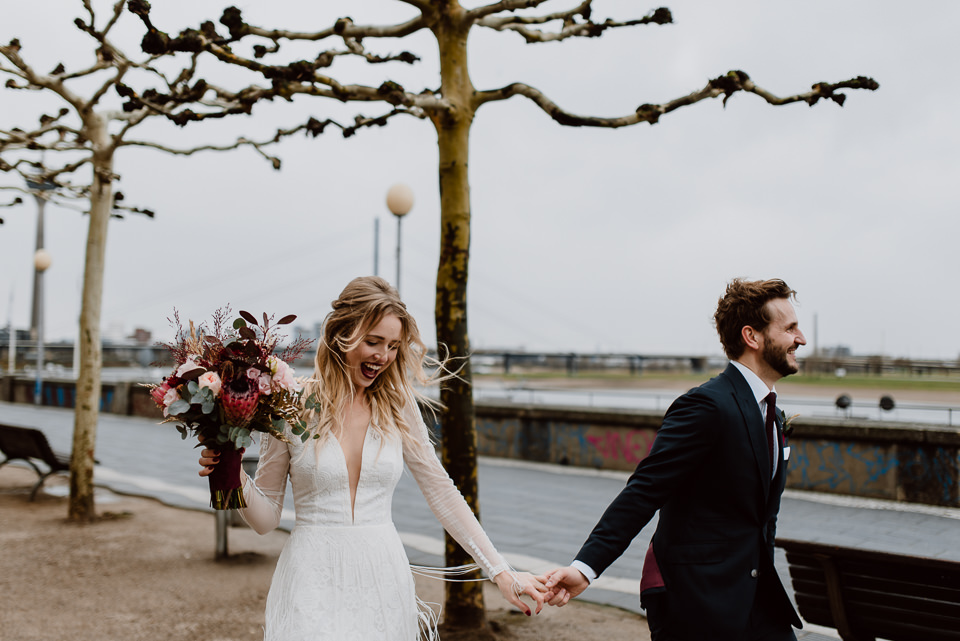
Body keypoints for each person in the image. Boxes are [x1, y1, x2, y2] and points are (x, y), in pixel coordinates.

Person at [199, 276, 545, 640]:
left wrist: (501, 572)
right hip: (311, 580)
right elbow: (265, 520)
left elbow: (442, 491)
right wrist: (232, 471)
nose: (384, 356)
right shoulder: (291, 404)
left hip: (383, 580)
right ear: (341, 335)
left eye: (393, 346)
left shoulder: (398, 406)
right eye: (373, 341)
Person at [544, 278, 806, 641]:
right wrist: (585, 568)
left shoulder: (772, 415)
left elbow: (762, 517)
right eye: (790, 328)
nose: (801, 338)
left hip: (758, 602)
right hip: (697, 603)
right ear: (752, 336)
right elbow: (644, 490)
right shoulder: (707, 405)